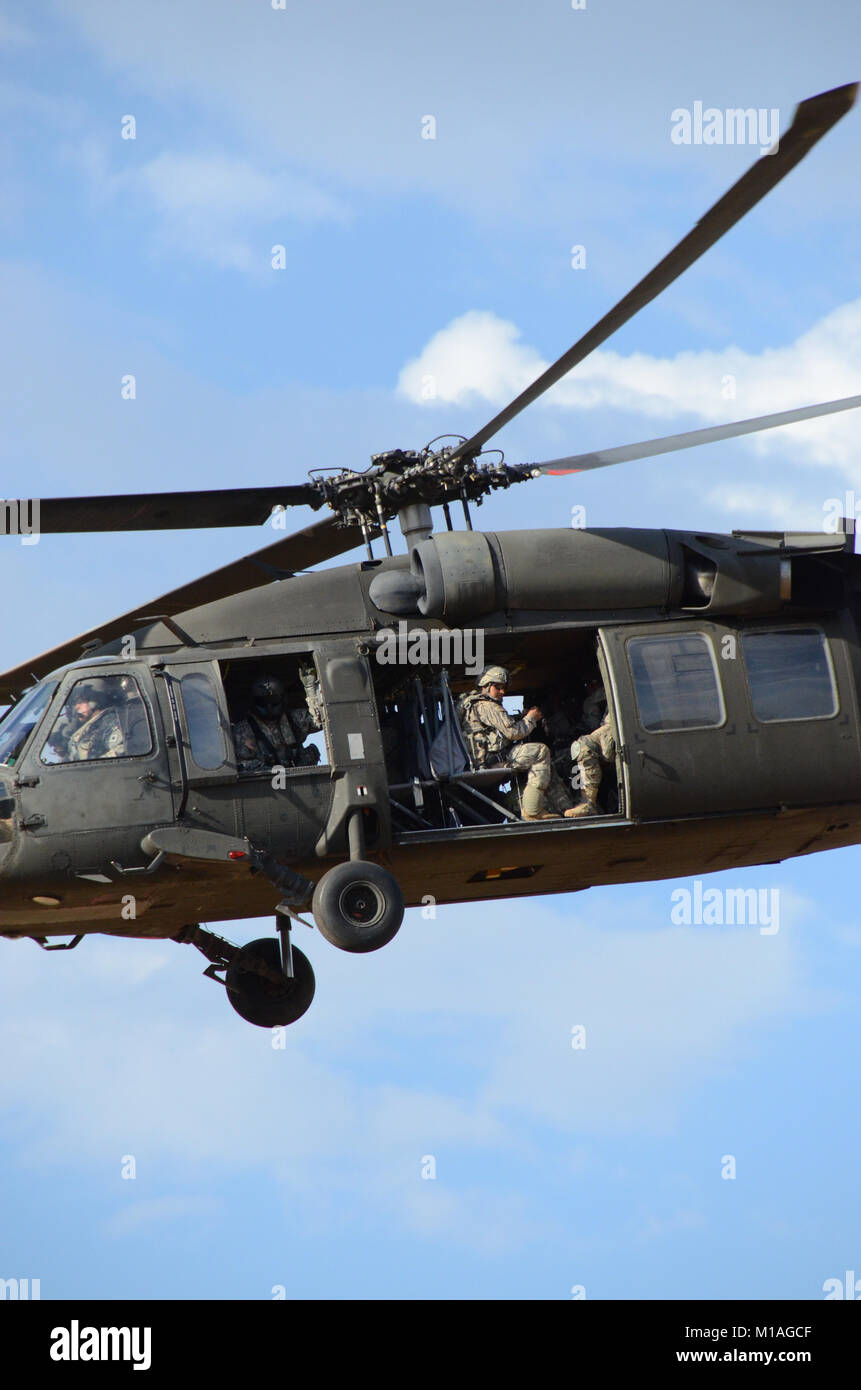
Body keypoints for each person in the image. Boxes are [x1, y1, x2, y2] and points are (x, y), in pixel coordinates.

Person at [458, 666, 577, 821]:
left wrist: (522, 718)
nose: (502, 692)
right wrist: (531, 718)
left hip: (485, 759)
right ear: (485, 686)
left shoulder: (472, 704)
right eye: (497, 687)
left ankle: (567, 808)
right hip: (493, 761)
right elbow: (514, 733)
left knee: (545, 766)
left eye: (504, 688)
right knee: (540, 751)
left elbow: (500, 729)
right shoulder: (487, 705)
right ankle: (533, 810)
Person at [233, 674, 320, 772]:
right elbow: (244, 765)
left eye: (274, 701)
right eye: (262, 702)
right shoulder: (243, 731)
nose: (269, 708)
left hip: (300, 777)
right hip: (267, 782)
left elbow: (321, 718)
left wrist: (311, 690)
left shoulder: (295, 718)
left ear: (282, 699)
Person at [568, 673, 617, 818]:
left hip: (615, 734)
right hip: (605, 735)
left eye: (594, 682)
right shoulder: (592, 702)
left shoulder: (604, 694)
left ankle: (588, 803)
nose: (591, 687)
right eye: (587, 684)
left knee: (584, 746)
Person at [65, 682, 126, 761]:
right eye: (75, 703)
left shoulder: (109, 722)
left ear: (94, 700)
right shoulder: (89, 729)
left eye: (80, 701)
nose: (76, 707)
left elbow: (120, 750)